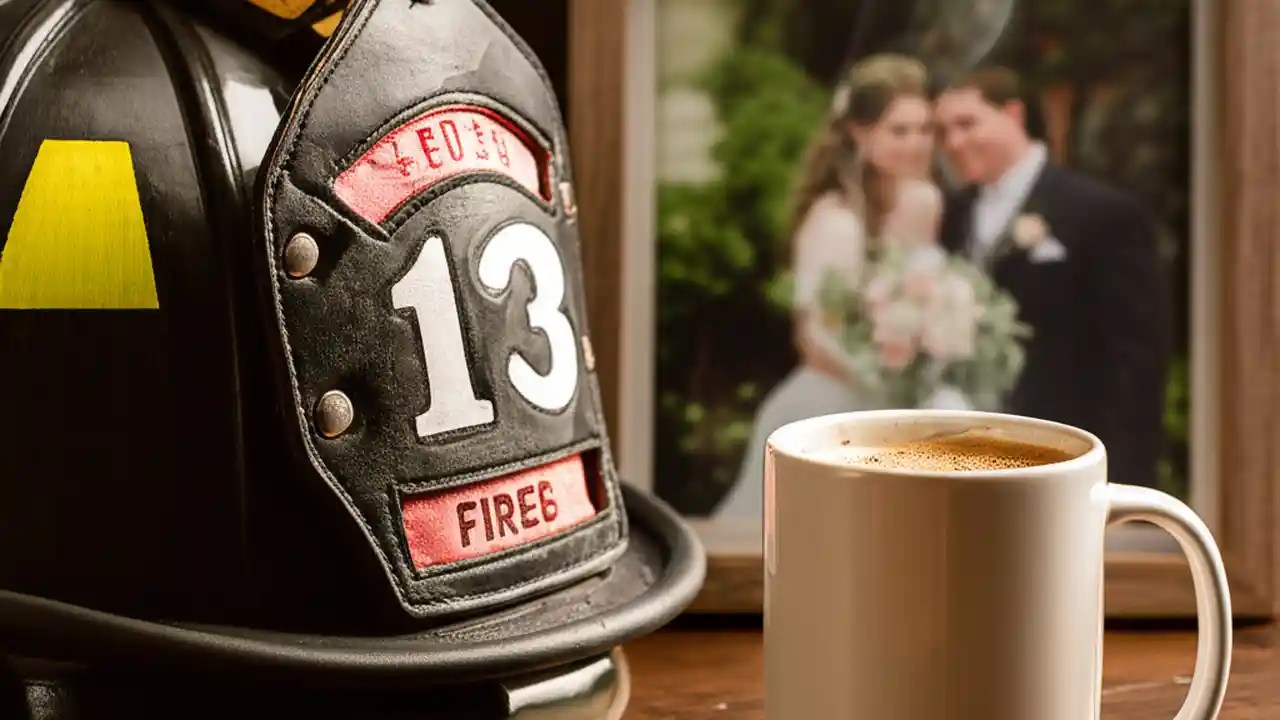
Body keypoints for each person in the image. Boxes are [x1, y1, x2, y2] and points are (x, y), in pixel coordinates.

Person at [715, 54, 943, 519]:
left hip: (899, 405)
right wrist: (881, 383)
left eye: (925, 129)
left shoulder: (924, 202)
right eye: (900, 131)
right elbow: (813, 337)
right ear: (860, 132)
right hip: (828, 406)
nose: (916, 143)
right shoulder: (836, 221)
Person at [934, 66, 1170, 488]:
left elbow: (1135, 361)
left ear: (1013, 114)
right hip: (967, 449)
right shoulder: (952, 213)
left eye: (967, 123)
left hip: (1067, 453)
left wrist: (1120, 474)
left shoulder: (1103, 214)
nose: (953, 142)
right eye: (943, 131)